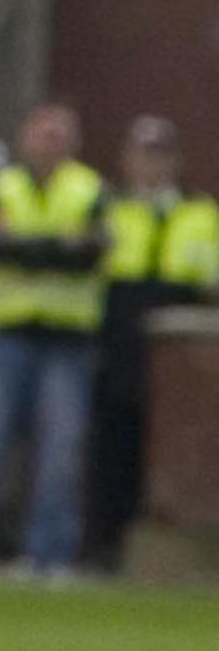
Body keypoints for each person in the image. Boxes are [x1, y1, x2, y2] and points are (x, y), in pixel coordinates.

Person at [0, 103, 109, 577]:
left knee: (61, 453)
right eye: (42, 134)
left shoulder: (89, 188)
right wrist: (57, 247)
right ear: (24, 140)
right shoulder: (5, 186)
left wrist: (29, 248)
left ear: (73, 143)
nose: (49, 144)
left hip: (67, 337)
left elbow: (90, 253)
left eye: (58, 135)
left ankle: (49, 556)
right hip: (5, 332)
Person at [85, 117, 219, 571]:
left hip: (179, 352)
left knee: (167, 447)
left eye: (160, 156)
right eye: (143, 155)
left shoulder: (200, 214)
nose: (151, 166)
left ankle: (168, 546)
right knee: (113, 446)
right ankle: (107, 546)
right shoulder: (109, 210)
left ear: (176, 162)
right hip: (121, 339)